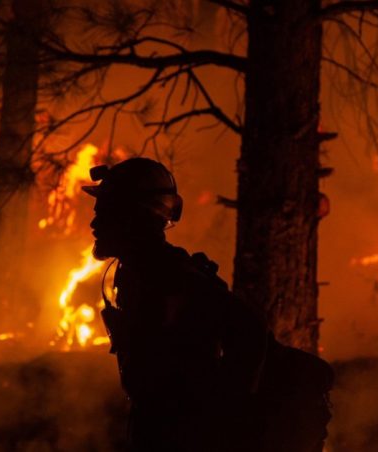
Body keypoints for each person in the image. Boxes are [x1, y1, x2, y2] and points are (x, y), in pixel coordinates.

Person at [82, 158, 266, 451]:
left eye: (105, 213)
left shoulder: (172, 276)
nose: (94, 224)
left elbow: (249, 335)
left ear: (133, 217)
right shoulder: (141, 273)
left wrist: (218, 417)